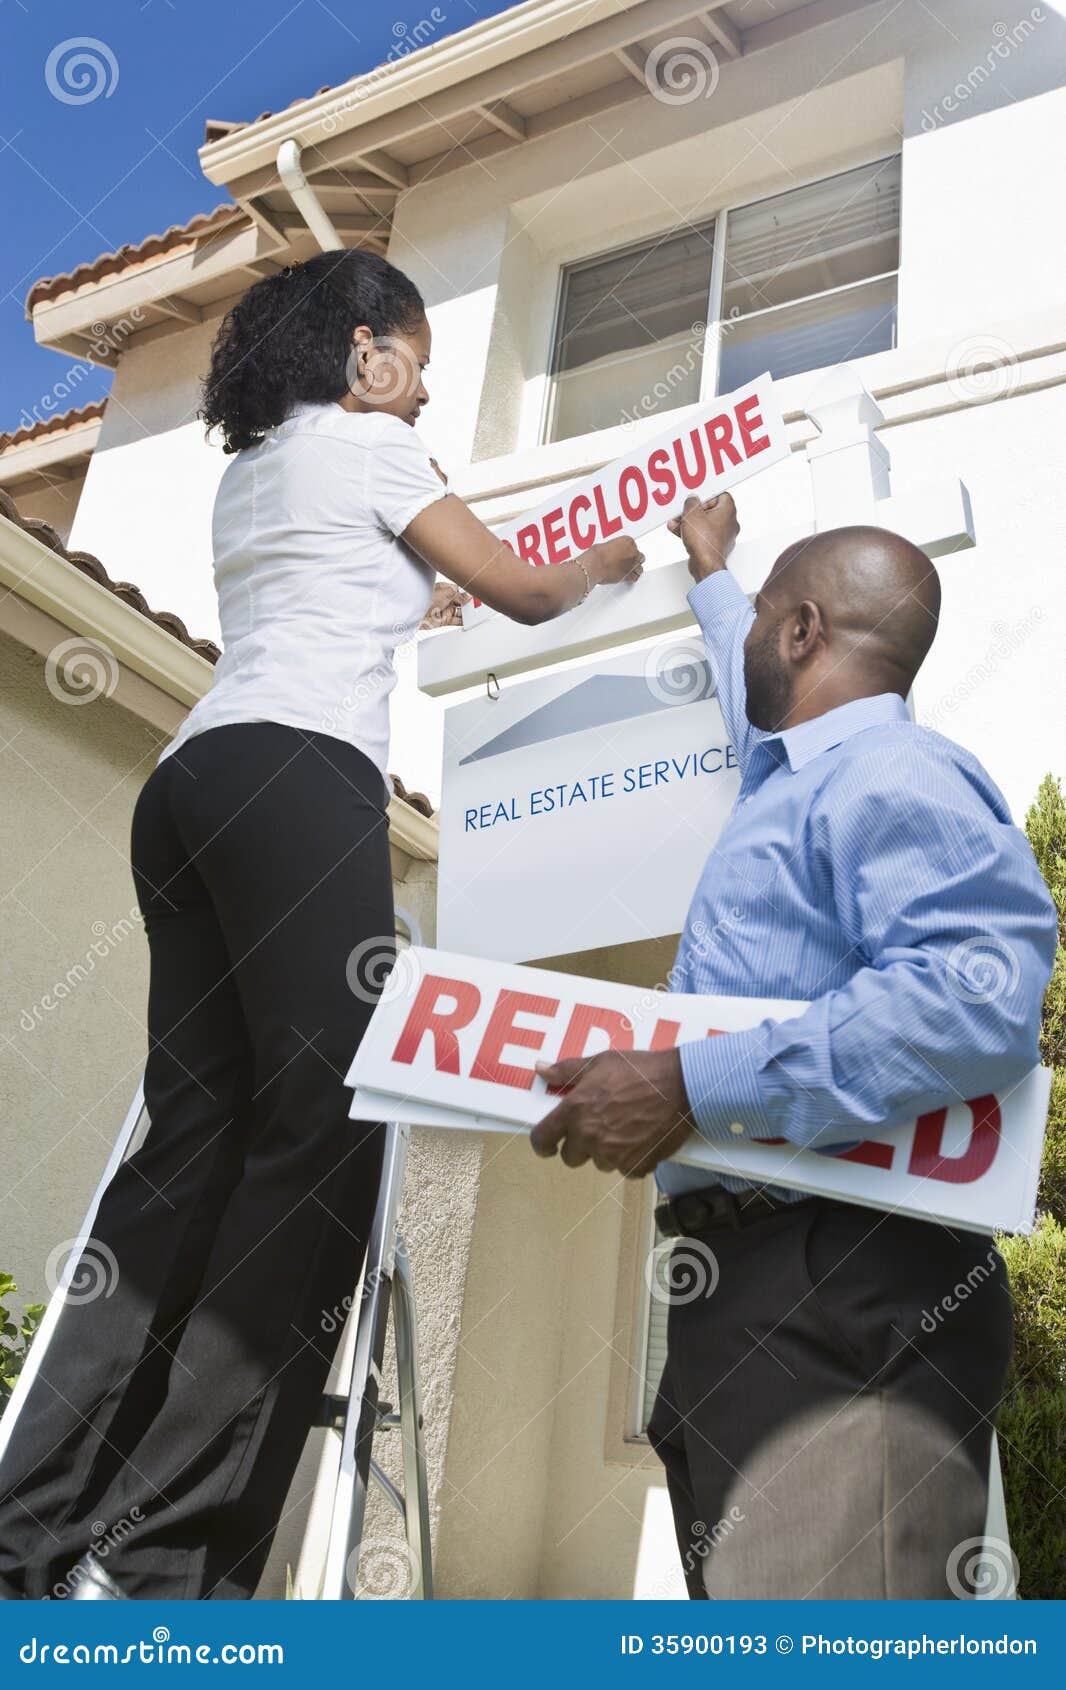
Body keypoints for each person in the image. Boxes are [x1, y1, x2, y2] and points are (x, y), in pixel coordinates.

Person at [0, 248, 641, 1602]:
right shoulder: (371, 447)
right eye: (413, 355)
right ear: (364, 351)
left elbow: (385, 589)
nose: (423, 390)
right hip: (299, 776)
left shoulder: (259, 472)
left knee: (191, 1150)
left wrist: (448, 584)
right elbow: (524, 587)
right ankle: (157, 1553)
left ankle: (30, 1529)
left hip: (194, 787)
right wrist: (604, 560)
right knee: (326, 1130)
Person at [532, 493, 1056, 1599]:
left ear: (805, 632)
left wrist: (688, 1081)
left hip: (839, 1285)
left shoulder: (893, 774)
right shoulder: (792, 772)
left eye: (769, 616)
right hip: (756, 1292)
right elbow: (747, 669)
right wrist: (714, 570)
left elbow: (974, 999)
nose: (750, 643)